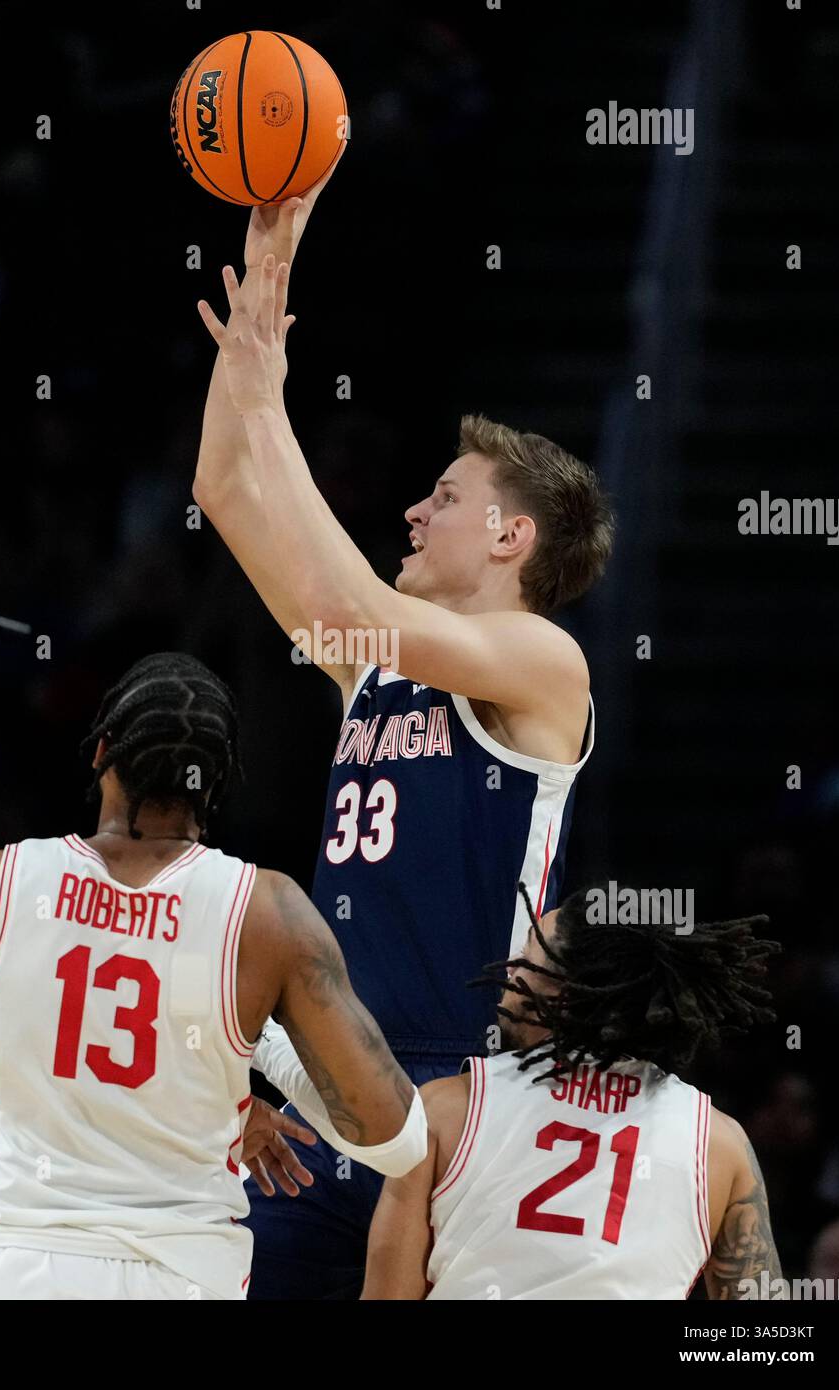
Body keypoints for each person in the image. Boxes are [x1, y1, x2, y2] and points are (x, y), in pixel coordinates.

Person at [193, 164, 614, 1297]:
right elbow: (226, 492)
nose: (414, 511)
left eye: (443, 496)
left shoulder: (542, 661)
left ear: (511, 534)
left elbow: (349, 603)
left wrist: (271, 402)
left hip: (465, 1104)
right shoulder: (368, 671)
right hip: (328, 1092)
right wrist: (262, 288)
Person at [0, 651, 425, 1300]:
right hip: (181, 1279)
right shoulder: (266, 913)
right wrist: (242, 1072)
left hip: (20, 1273)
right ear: (217, 783)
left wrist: (130, 1112)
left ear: (102, 751)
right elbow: (395, 1139)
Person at [361, 884, 782, 1299]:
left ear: (561, 995)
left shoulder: (448, 1107)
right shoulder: (720, 1144)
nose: (509, 967)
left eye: (528, 953)